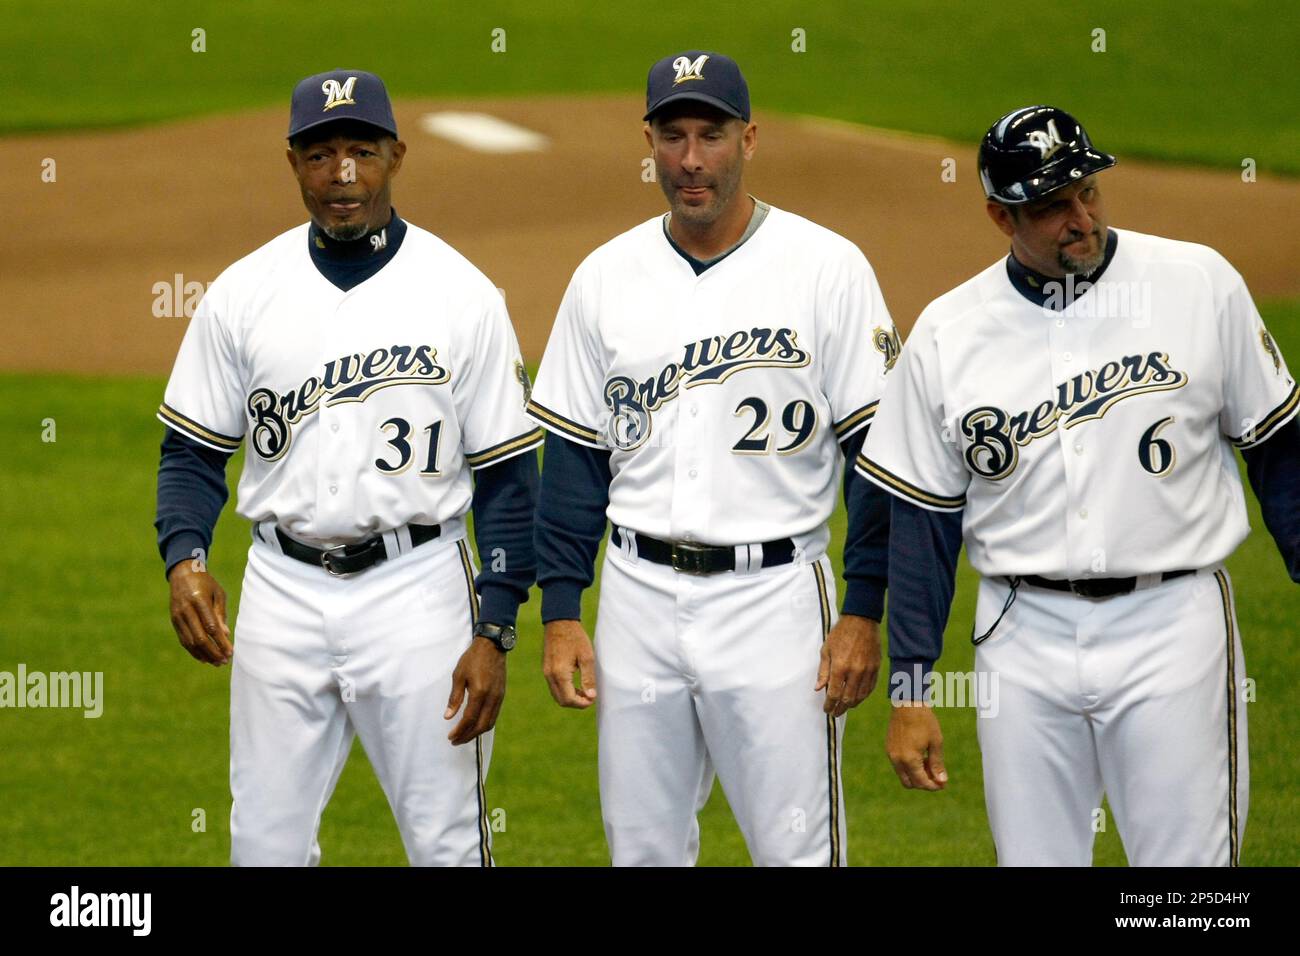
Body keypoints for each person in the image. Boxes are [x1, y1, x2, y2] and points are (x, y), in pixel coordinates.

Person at [861, 105, 1299, 865]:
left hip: (1173, 626)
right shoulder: (947, 332)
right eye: (1049, 205)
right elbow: (923, 525)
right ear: (1001, 216)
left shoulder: (1198, 284)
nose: (1079, 218)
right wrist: (910, 689)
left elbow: (1280, 452)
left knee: (1187, 881)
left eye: (1086, 192)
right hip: (1020, 637)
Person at [153, 69, 541, 866]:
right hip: (281, 593)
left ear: (396, 155)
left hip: (419, 593)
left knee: (446, 845)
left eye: (361, 151)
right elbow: (191, 452)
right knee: (262, 846)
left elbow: (509, 481)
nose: (343, 176)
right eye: (321, 154)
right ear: (292, 162)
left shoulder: (461, 295)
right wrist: (185, 559)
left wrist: (495, 629)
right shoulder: (242, 293)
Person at [526, 51, 898, 866]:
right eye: (673, 136)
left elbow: (878, 463)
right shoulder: (604, 278)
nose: (691, 160)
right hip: (637, 601)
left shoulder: (826, 269)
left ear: (750, 138)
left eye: (712, 136)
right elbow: (576, 463)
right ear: (650, 142)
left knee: (796, 851)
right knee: (643, 850)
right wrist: (560, 610)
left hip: (776, 601)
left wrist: (864, 611)